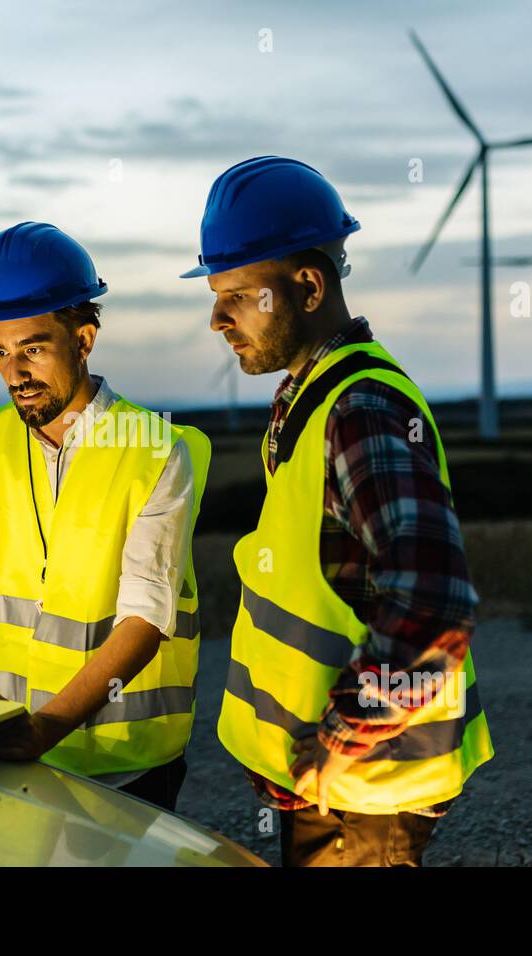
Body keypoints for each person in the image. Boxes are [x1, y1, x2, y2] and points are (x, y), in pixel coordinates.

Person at [181, 156, 494, 865]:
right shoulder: (314, 400)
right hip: (341, 790)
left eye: (236, 295)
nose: (216, 320)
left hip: (367, 790)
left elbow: (435, 600)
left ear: (309, 285)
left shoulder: (360, 408)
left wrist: (341, 738)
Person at [0, 222, 210, 812]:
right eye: (0, 352)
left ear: (84, 339)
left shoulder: (155, 450)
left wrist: (43, 729)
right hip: (3, 758)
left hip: (121, 770)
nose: (14, 373)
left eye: (32, 348)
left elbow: (144, 619)